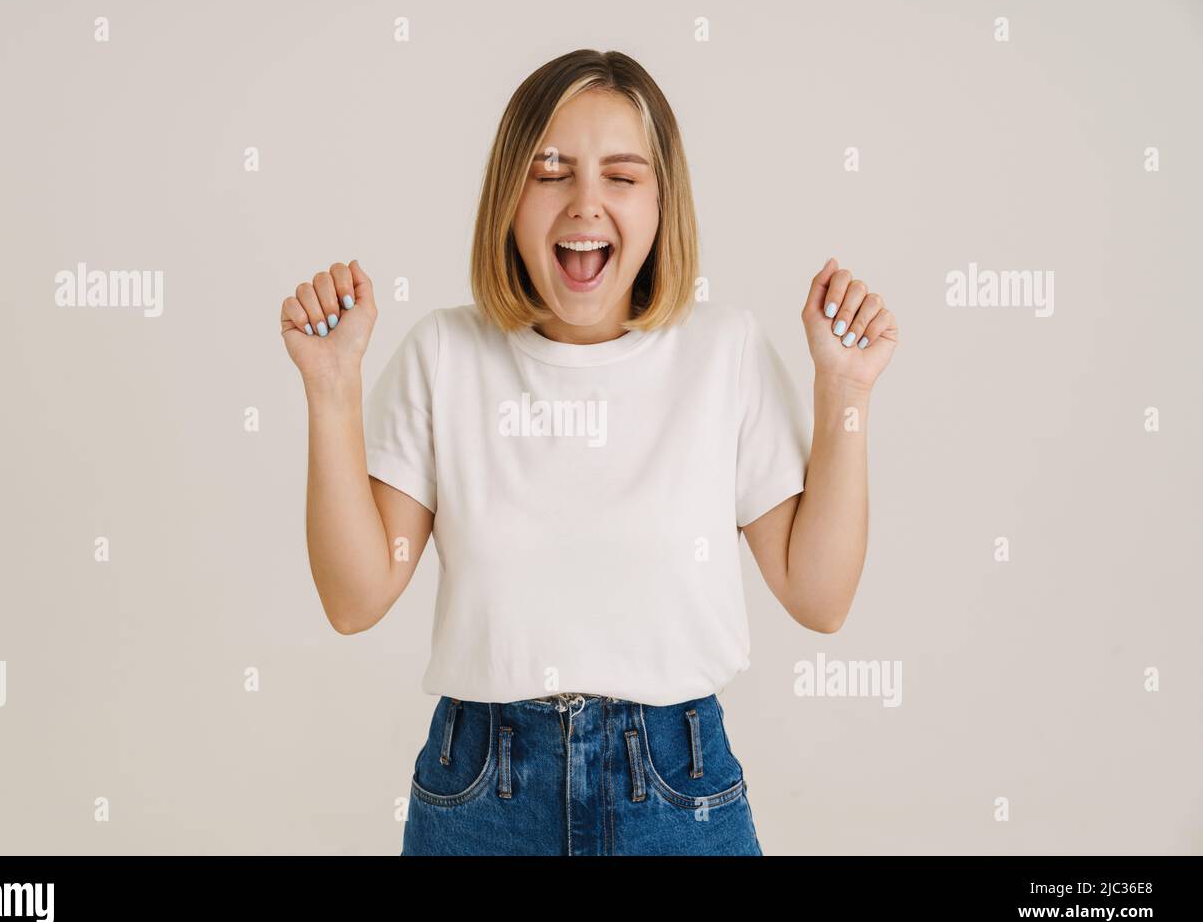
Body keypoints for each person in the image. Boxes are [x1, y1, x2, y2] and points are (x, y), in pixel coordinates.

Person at [279, 49, 898, 855]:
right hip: (481, 793)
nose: (585, 203)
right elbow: (353, 599)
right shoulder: (445, 355)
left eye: (621, 175)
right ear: (507, 197)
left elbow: (821, 597)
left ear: (661, 202)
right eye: (550, 171)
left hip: (679, 795)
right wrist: (331, 389)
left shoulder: (725, 351)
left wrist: (844, 392)